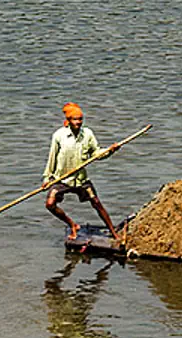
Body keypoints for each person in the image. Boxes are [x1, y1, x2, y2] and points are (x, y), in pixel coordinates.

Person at [41, 103, 122, 241]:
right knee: (50, 204)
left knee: (96, 202)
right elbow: (52, 158)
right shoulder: (59, 136)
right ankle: (72, 225)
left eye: (80, 119)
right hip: (62, 179)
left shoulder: (87, 134)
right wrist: (47, 178)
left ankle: (113, 232)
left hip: (80, 179)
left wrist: (110, 151)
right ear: (68, 121)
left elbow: (96, 153)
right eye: (75, 119)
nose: (78, 122)